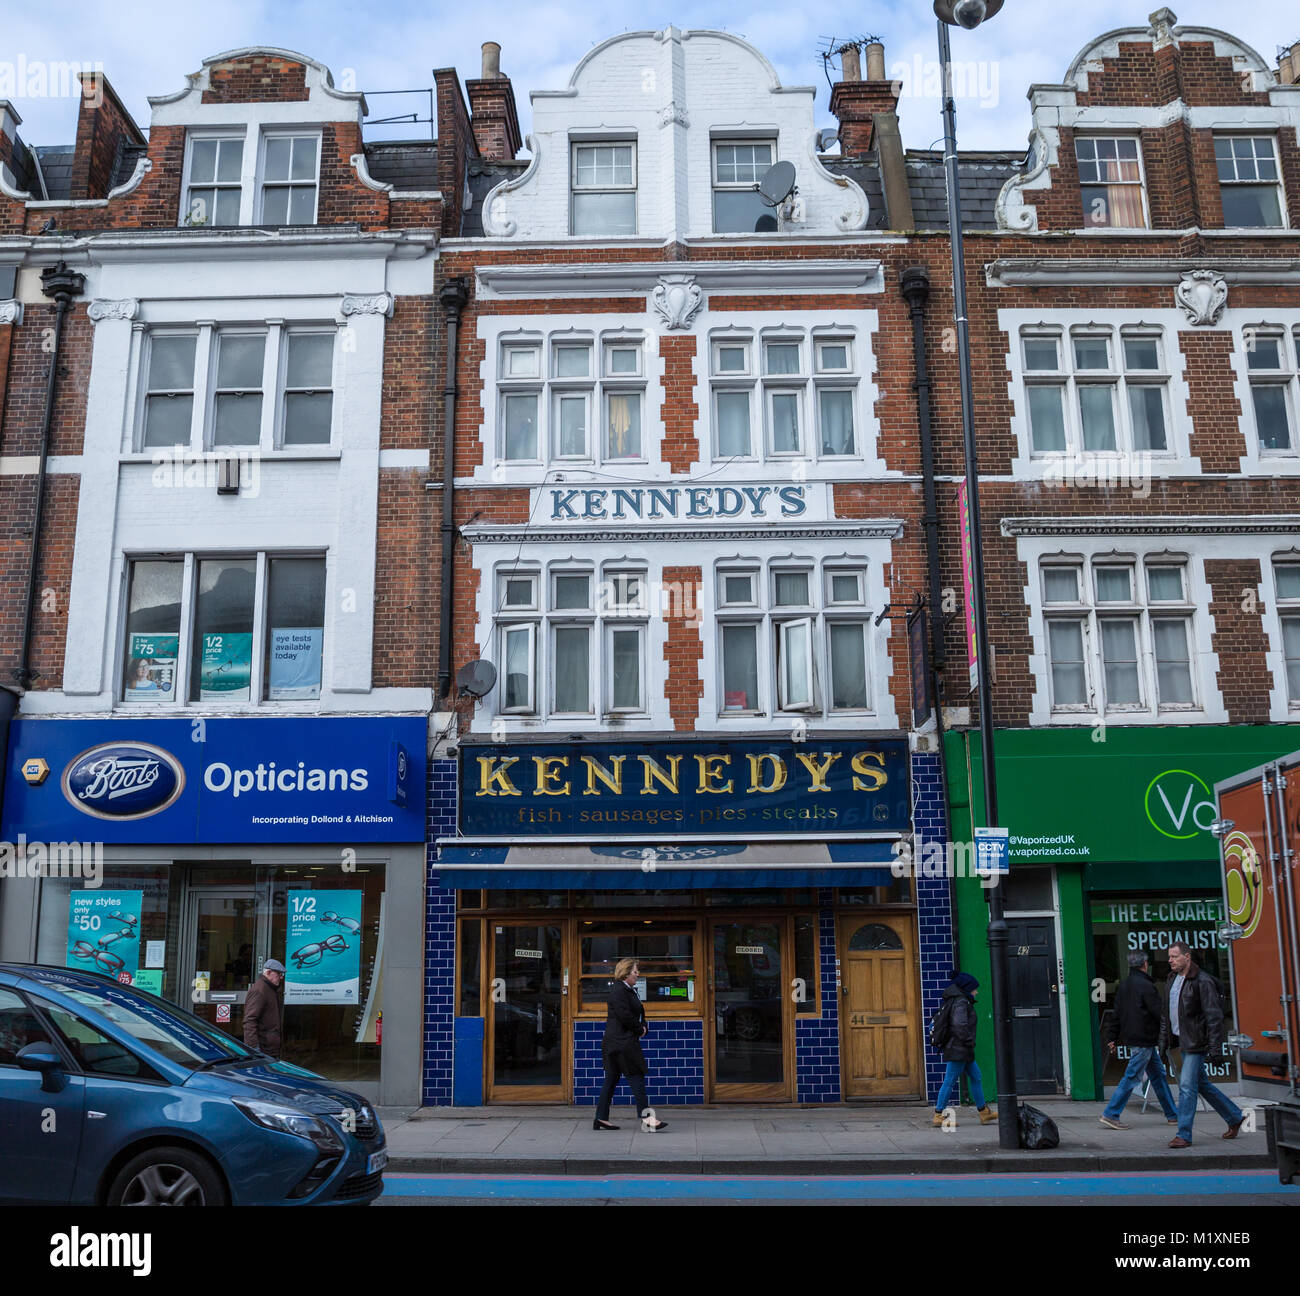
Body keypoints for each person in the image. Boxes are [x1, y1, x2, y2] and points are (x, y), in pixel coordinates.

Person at [1161, 941, 1244, 1148]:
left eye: (1174, 956)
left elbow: (1214, 1018)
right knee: (1202, 1085)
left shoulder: (1202, 981)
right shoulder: (1171, 979)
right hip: (1179, 1041)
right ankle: (1234, 1116)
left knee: (1187, 1086)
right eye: (1169, 957)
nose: (1169, 960)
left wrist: (1216, 1049)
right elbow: (1167, 1014)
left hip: (1195, 1043)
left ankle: (1184, 1134)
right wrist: (1164, 1042)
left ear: (1187, 957)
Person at [1099, 951, 1178, 1129]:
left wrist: (1112, 1036)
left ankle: (1173, 1114)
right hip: (1145, 1039)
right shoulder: (1147, 986)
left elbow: (1117, 1014)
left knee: (1158, 1076)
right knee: (1132, 1076)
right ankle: (1111, 1113)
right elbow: (1159, 1013)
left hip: (1136, 1038)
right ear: (1144, 965)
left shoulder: (1124, 986)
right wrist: (1171, 1033)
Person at [593, 959, 666, 1131]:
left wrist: (644, 1025)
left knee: (611, 1080)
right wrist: (640, 1028)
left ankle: (600, 1118)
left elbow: (637, 1012)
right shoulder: (619, 991)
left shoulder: (626, 990)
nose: (638, 974)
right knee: (637, 1078)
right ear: (625, 973)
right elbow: (625, 1016)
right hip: (622, 1043)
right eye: (635, 972)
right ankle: (647, 1119)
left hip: (616, 1043)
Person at [932, 971, 997, 1127]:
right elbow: (959, 1025)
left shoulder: (959, 1000)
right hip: (959, 1048)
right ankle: (938, 1115)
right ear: (967, 988)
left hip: (961, 1048)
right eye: (974, 989)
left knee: (976, 1076)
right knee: (950, 1080)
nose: (977, 991)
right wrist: (968, 1041)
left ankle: (984, 1112)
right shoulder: (961, 1001)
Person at [243, 958, 285, 1058]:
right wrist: (254, 1049)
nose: (281, 977)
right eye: (279, 974)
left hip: (269, 1048)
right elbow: (249, 1021)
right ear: (269, 972)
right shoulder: (260, 989)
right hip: (263, 1050)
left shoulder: (270, 988)